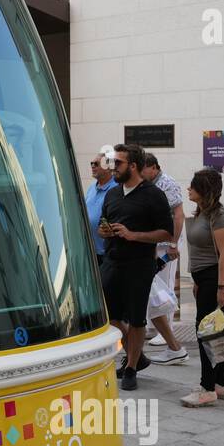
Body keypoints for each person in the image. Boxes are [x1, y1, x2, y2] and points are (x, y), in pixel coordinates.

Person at [97, 143, 174, 391]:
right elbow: (104, 221)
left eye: (117, 163)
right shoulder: (113, 193)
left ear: (133, 165)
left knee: (137, 318)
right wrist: (104, 230)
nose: (113, 167)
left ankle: (130, 367)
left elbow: (166, 231)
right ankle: (137, 355)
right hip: (111, 261)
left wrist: (133, 235)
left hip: (139, 265)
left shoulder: (153, 194)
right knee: (109, 317)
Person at [181, 168, 224, 407]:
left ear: (203, 190)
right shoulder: (202, 214)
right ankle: (221, 384)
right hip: (204, 278)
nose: (188, 189)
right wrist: (196, 280)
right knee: (216, 329)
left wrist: (221, 287)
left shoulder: (219, 217)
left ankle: (206, 387)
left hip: (216, 278)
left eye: (192, 186)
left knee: (206, 330)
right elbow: (200, 251)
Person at [141, 153, 188, 364]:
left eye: (143, 169)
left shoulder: (168, 184)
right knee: (153, 285)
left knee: (166, 286)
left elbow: (178, 215)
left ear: (153, 167)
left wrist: (173, 243)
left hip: (167, 242)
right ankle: (153, 325)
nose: (141, 174)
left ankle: (166, 330)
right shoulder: (147, 185)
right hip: (152, 242)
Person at [84, 148, 118, 266]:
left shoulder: (116, 189)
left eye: (96, 164)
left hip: (107, 254)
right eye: (91, 163)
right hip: (90, 252)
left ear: (108, 167)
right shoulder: (92, 188)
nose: (93, 166)